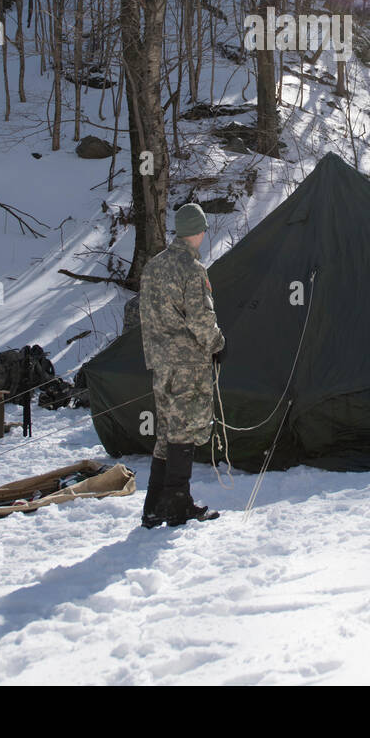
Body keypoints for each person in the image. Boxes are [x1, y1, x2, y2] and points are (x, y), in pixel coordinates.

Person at [138, 203, 225, 528]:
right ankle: (176, 504)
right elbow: (201, 319)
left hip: (160, 362)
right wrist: (218, 344)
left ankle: (153, 506)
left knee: (166, 432)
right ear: (198, 232)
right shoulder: (191, 269)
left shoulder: (153, 267)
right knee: (183, 430)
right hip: (186, 363)